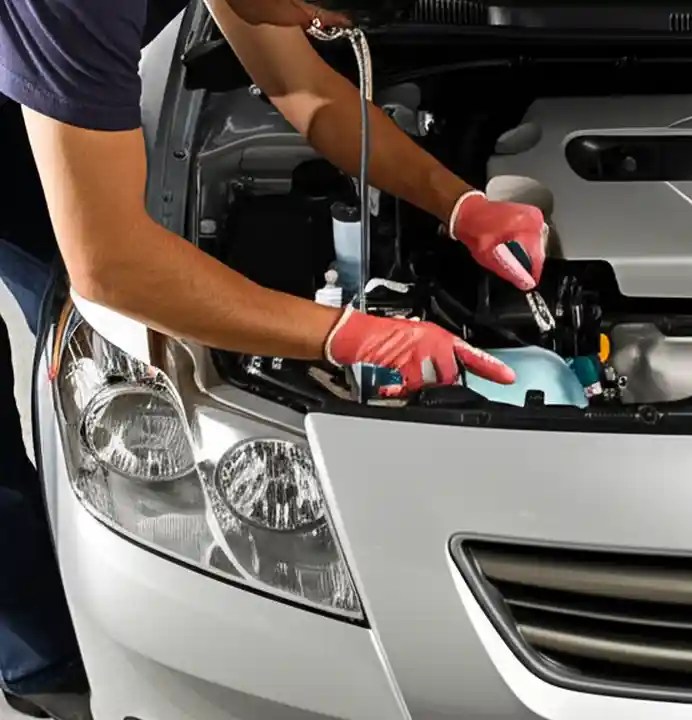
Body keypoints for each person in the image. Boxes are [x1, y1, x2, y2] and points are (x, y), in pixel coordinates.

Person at [0, 0, 546, 715]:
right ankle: (48, 677)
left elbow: (306, 91)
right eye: (315, 15)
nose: (318, 32)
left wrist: (459, 205)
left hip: (46, 95)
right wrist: (345, 335)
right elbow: (109, 264)